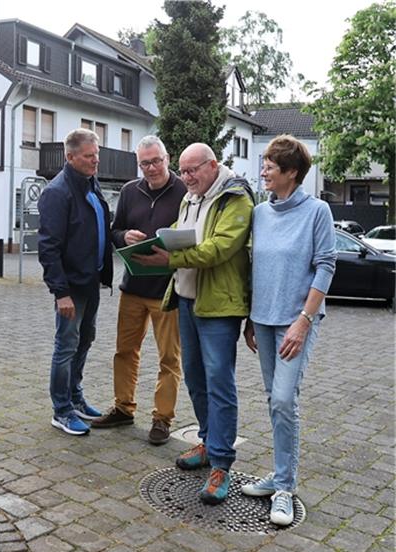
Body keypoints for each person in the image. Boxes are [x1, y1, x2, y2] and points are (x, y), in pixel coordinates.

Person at [133, 143, 254, 505]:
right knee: (197, 380)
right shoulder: (191, 198)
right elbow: (179, 230)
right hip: (187, 299)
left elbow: (219, 248)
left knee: (219, 383)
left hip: (218, 307)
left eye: (192, 171)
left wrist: (170, 257)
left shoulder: (236, 200)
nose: (185, 178)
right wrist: (155, 239)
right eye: (182, 172)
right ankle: (206, 441)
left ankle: (221, 464)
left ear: (213, 165)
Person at [242, 135, 335, 525]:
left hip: (297, 321)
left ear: (291, 172)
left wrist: (304, 320)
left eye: (269, 165)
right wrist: (250, 317)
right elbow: (257, 267)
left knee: (284, 399)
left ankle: (284, 487)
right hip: (262, 320)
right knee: (272, 399)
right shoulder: (262, 213)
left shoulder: (318, 211)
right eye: (263, 163)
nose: (263, 170)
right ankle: (278, 474)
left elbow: (326, 265)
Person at [91, 136, 186, 445]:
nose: (151, 168)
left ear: (167, 158)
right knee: (124, 351)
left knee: (169, 359)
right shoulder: (131, 191)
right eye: (144, 163)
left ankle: (162, 419)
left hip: (168, 290)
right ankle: (123, 407)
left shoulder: (184, 191)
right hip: (132, 287)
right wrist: (123, 237)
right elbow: (114, 230)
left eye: (156, 161)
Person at [37, 128, 113, 436]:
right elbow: (48, 247)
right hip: (71, 288)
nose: (95, 160)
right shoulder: (58, 192)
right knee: (66, 345)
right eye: (88, 156)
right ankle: (61, 409)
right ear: (70, 157)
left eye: (97, 155)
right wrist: (61, 292)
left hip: (91, 282)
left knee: (84, 341)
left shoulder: (90, 184)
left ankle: (75, 395)